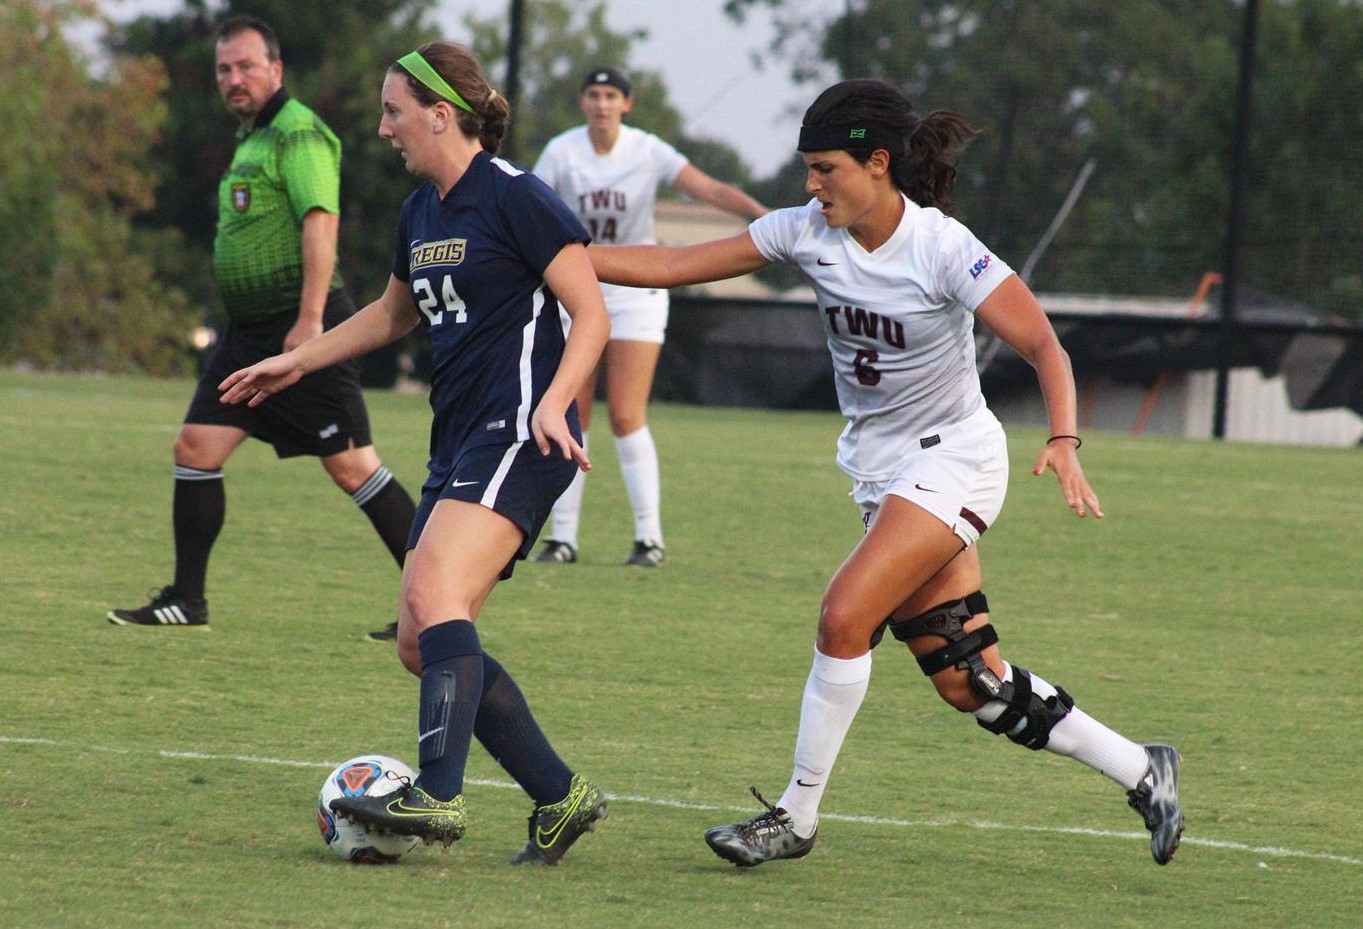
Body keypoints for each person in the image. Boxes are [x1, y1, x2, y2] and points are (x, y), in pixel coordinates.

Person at [588, 79, 1184, 868]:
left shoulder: (940, 246)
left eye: (824, 168)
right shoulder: (806, 231)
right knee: (970, 679)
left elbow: (1043, 343)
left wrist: (1065, 437)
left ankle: (794, 818)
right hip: (880, 474)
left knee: (842, 617)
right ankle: (1144, 769)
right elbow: (669, 262)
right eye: (805, 169)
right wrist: (557, 254)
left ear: (876, 164)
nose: (809, 186)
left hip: (955, 460)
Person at [219, 41, 612, 865]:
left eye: (394, 111)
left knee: (436, 594)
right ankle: (558, 794)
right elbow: (394, 317)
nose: (382, 126)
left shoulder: (515, 197)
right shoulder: (419, 211)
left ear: (441, 114)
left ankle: (437, 793)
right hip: (458, 442)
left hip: (518, 432)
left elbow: (591, 311)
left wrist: (555, 396)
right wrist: (300, 357)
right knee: (418, 636)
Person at [106, 16, 415, 640]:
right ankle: (186, 601)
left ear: (276, 70)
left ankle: (433, 605)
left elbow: (319, 223)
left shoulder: (298, 133)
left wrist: (307, 323)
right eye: (224, 69)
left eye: (246, 66)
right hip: (246, 333)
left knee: (353, 466)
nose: (233, 79)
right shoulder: (251, 139)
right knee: (196, 448)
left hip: (303, 326)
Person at [530, 66, 769, 567]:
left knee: (626, 412)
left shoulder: (646, 149)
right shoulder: (562, 150)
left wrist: (761, 215)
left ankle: (648, 539)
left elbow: (709, 190)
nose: (601, 104)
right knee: (572, 411)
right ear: (582, 102)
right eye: (593, 94)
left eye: (611, 95)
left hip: (637, 286)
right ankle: (562, 537)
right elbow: (532, 204)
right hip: (580, 285)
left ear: (627, 104)